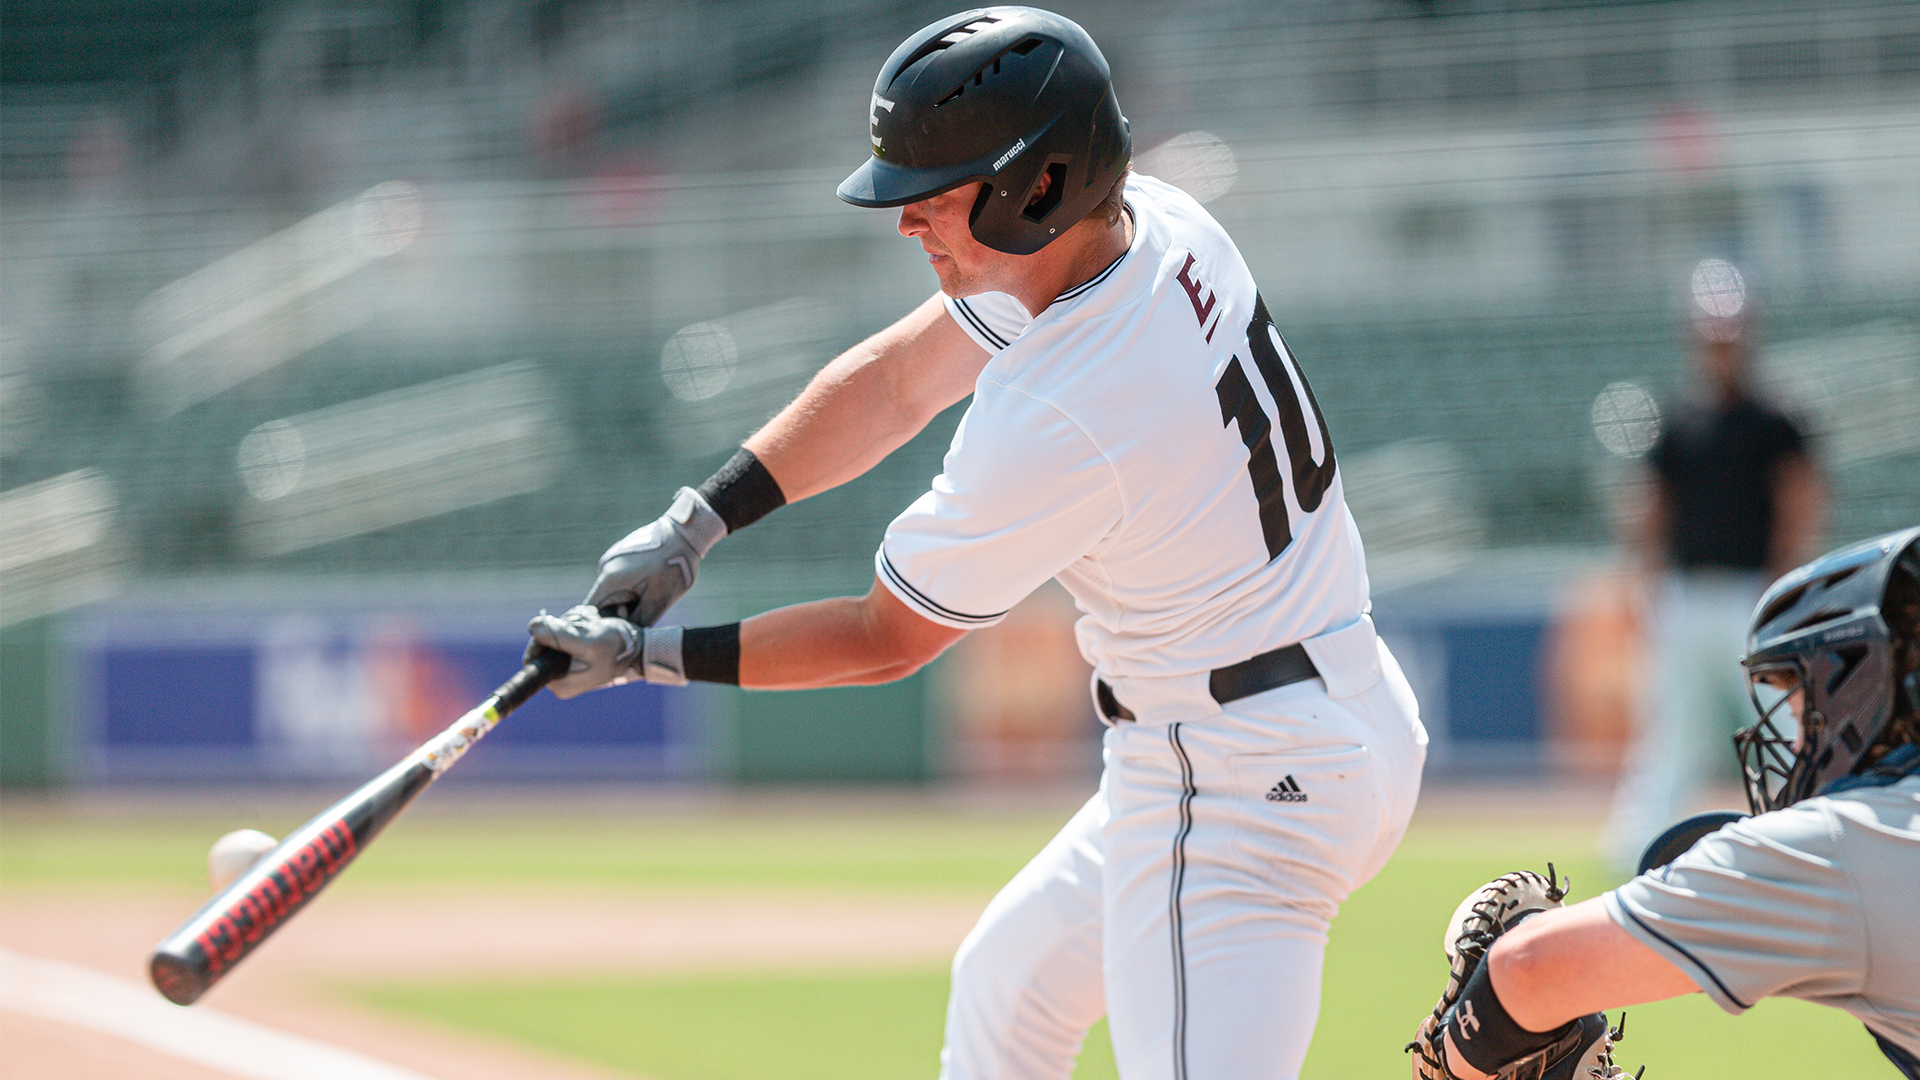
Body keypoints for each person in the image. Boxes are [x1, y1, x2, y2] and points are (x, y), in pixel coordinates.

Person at [526, 8, 1428, 1079]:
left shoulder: (1065, 409)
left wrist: (647, 660)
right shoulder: (1153, 224)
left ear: (1038, 185)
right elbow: (901, 379)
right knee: (1008, 988)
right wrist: (699, 520)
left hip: (1237, 784)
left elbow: (883, 638)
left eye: (933, 193)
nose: (907, 225)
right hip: (1322, 712)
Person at [1419, 526, 1920, 1080]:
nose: (1797, 744)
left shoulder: (1846, 842)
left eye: (1802, 715)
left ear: (1864, 694)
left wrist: (1445, 1066)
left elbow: (1527, 967)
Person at [1600, 257, 1826, 873]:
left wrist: (1780, 582)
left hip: (1749, 595)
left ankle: (1805, 834)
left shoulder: (1774, 417)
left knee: (1776, 726)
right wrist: (1645, 578)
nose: (1720, 346)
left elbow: (1799, 499)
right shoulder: (1679, 418)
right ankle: (1637, 852)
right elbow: (1652, 504)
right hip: (1686, 592)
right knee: (1669, 733)